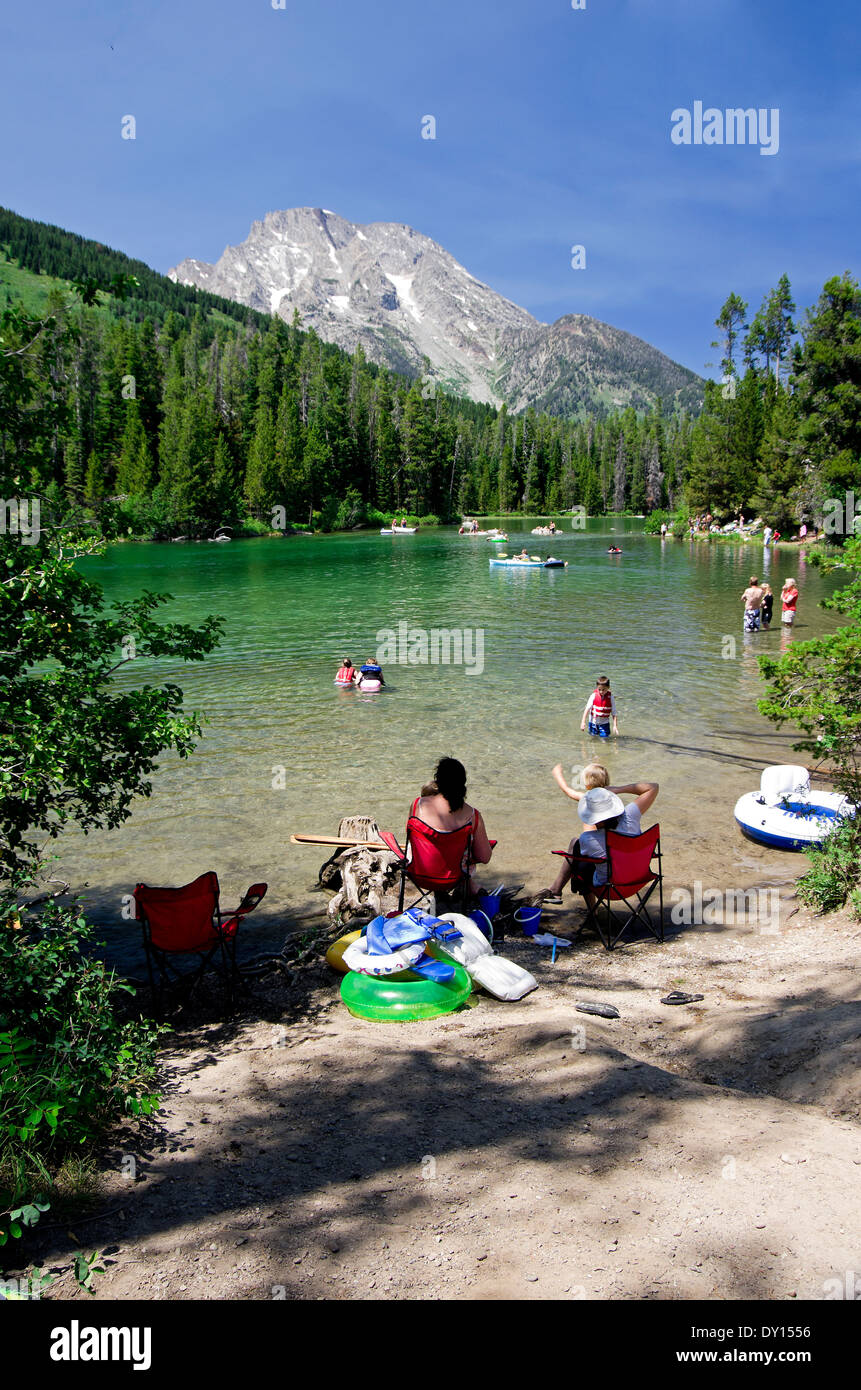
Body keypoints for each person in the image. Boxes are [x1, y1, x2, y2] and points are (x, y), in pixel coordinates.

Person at [546, 777, 660, 905]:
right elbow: (653, 787)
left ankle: (563, 894)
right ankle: (555, 890)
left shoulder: (589, 839)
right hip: (638, 881)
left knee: (578, 857)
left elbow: (586, 847)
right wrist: (618, 789)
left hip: (609, 888)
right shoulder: (630, 816)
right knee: (584, 852)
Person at [413, 757, 494, 893]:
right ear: (463, 783)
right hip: (453, 878)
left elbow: (413, 842)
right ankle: (470, 888)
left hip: (419, 875)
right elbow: (484, 858)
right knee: (468, 852)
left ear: (437, 781)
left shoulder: (418, 805)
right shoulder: (473, 816)